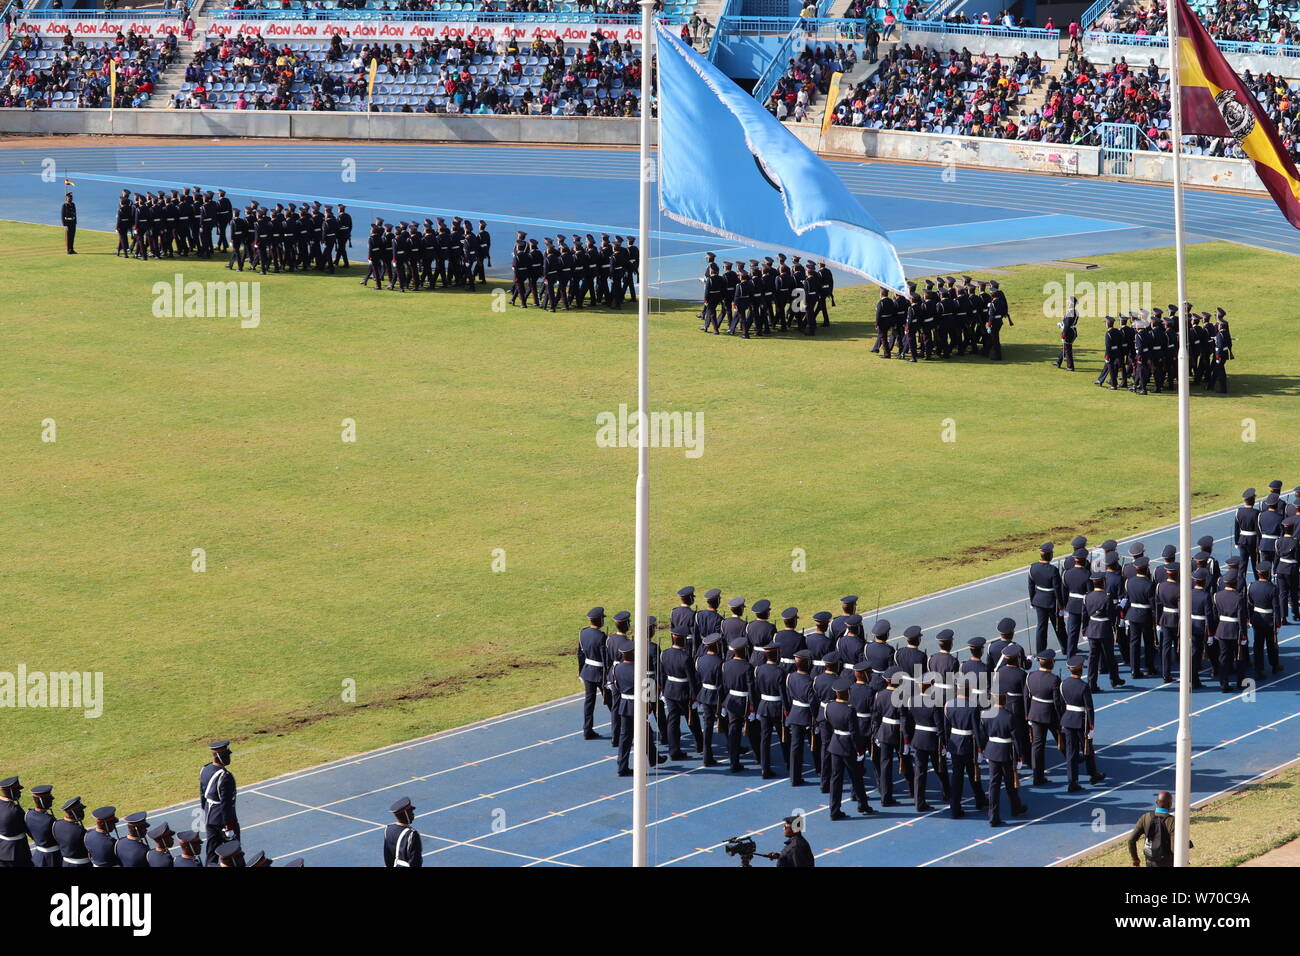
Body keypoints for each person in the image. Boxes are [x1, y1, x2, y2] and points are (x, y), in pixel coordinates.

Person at [1060, 655, 1105, 791]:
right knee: (1087, 749)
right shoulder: (1084, 686)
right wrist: (1091, 726)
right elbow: (1089, 708)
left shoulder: (1063, 684)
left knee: (1071, 752)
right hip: (1081, 721)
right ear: (1080, 670)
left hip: (1067, 720)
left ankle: (1072, 781)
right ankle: (1093, 774)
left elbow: (1061, 704)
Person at [199, 739, 238, 866]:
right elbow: (225, 804)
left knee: (211, 853)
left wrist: (204, 813)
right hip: (223, 821)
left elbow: (202, 795)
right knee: (233, 854)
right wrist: (229, 826)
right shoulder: (225, 776)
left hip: (210, 818)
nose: (229, 757)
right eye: (226, 755)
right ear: (220, 756)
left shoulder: (204, 769)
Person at [1126, 791, 1190, 867]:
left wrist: (1135, 859)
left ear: (1156, 802)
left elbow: (1130, 840)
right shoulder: (1172, 821)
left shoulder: (1145, 818)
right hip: (1167, 862)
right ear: (1170, 804)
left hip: (1150, 861)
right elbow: (1174, 848)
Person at [578, 606, 608, 740]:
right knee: (611, 702)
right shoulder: (602, 636)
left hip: (587, 671)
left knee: (589, 703)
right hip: (601, 673)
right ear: (600, 620)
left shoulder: (582, 633)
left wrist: (581, 672)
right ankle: (618, 731)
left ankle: (587, 729)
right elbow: (606, 658)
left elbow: (580, 654)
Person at [0, 777, 32, 867]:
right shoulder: (15, 810)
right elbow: (28, 828)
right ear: (11, 791)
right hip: (18, 852)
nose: (20, 792)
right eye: (17, 790)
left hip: (2, 850)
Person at [383, 796, 422, 867]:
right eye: (410, 812)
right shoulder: (412, 835)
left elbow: (387, 857)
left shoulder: (388, 829)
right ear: (405, 814)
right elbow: (415, 861)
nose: (413, 814)